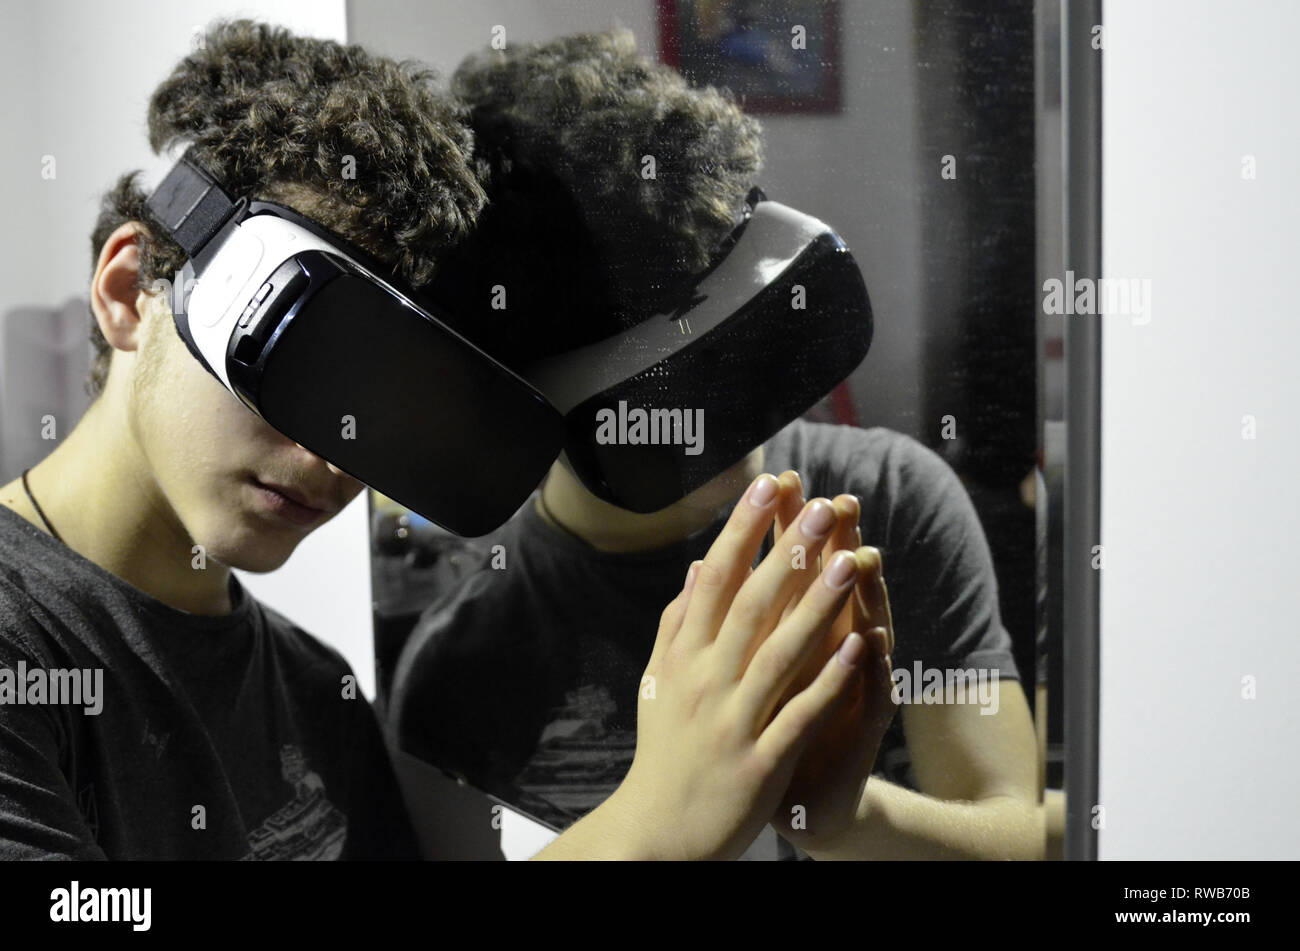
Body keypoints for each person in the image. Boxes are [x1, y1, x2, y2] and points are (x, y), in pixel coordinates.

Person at [0, 20, 887, 861]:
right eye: (308, 365)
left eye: (393, 412)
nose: (338, 458)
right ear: (128, 292)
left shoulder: (318, 697)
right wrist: (647, 831)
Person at [388, 30, 1043, 860]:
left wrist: (847, 818)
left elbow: (1016, 831)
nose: (727, 423)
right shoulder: (464, 664)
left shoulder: (892, 502)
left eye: (740, 355)